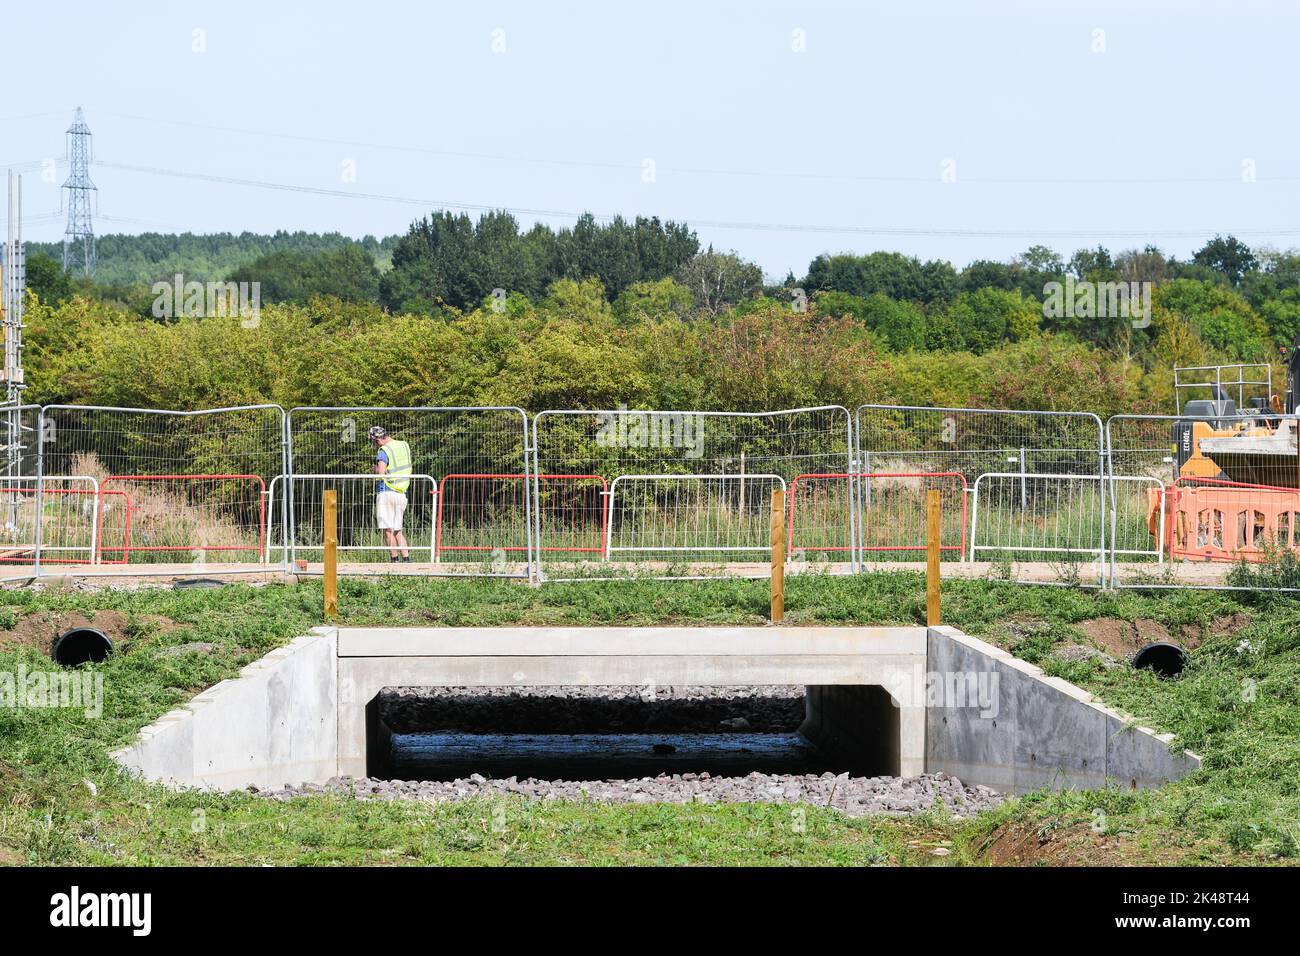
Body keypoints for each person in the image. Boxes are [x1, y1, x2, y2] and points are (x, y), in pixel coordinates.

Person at [369, 425, 413, 562]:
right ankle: (406, 559)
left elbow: (381, 473)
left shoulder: (383, 450)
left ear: (377, 440)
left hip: (386, 491)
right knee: (398, 529)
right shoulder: (404, 445)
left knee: (388, 529)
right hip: (402, 491)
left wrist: (374, 469)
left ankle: (394, 559)